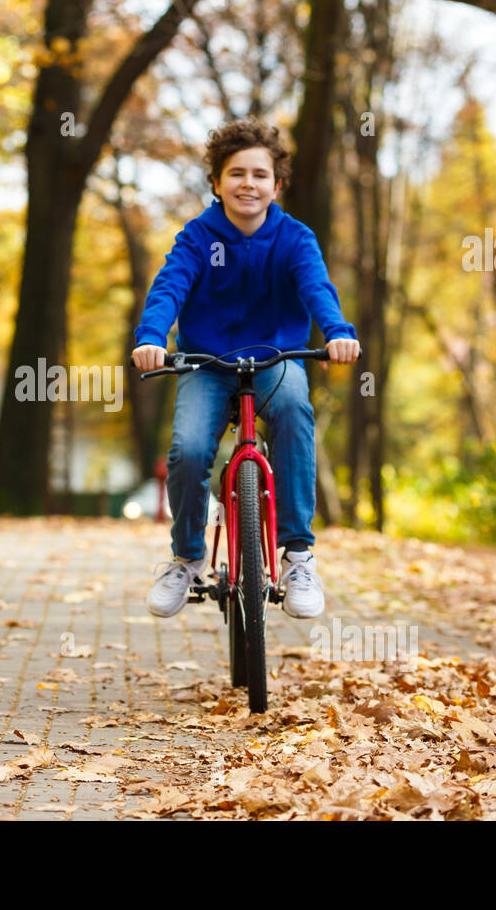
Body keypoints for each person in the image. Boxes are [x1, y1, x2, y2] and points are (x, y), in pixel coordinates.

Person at [131, 118, 360, 621]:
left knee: (295, 414)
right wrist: (151, 338)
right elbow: (169, 287)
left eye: (260, 175)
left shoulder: (295, 238)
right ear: (216, 183)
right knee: (189, 449)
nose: (248, 184)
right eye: (236, 173)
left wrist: (337, 332)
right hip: (207, 363)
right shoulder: (197, 236)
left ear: (277, 185)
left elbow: (317, 288)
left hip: (277, 359)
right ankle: (187, 558)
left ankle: (298, 556)